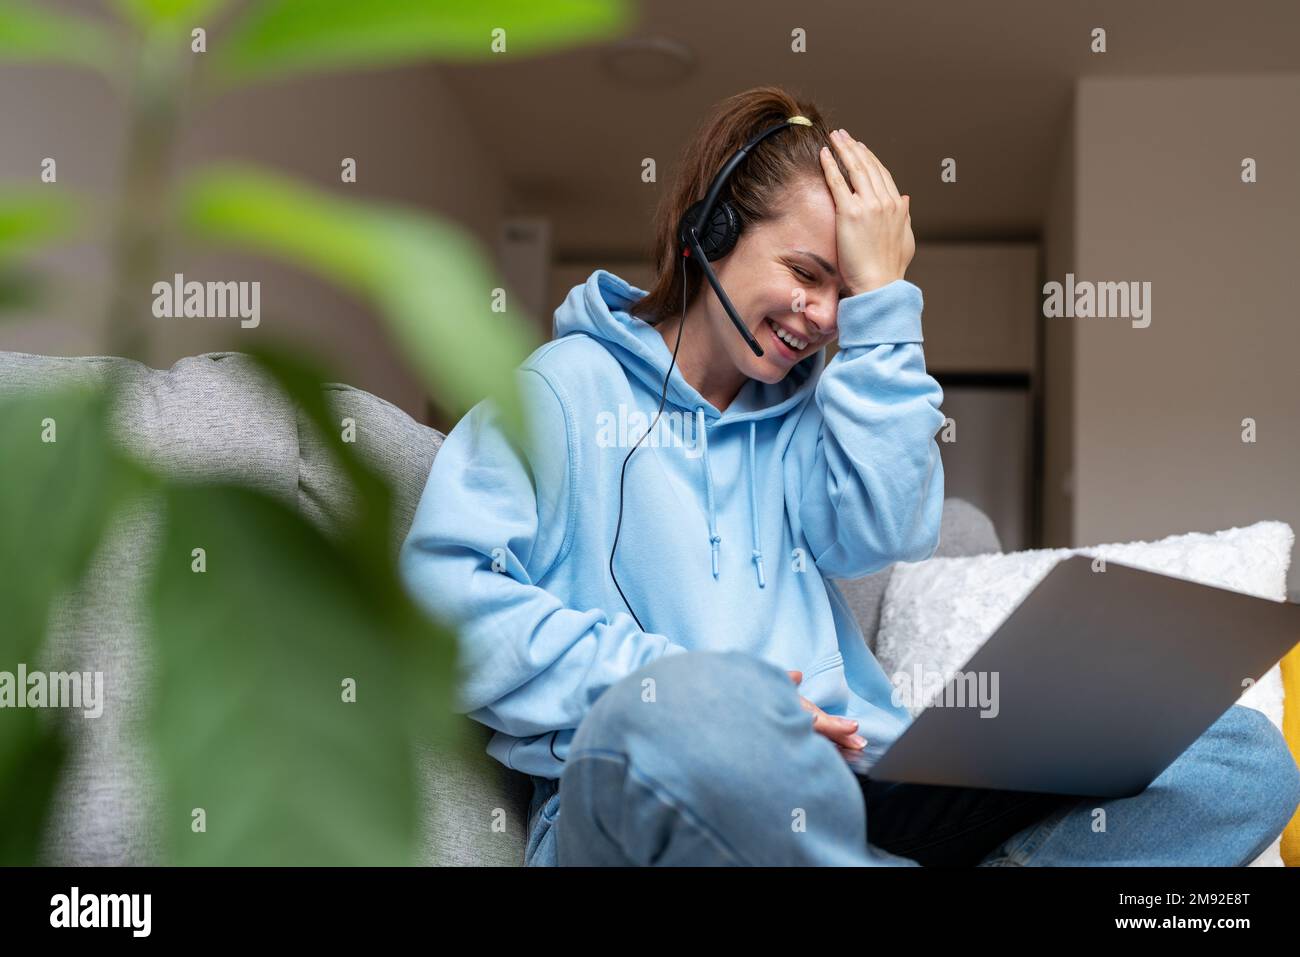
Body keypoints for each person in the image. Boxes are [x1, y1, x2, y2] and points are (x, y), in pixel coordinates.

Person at [398, 86, 1300, 866]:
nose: (821, 315)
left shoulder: (809, 420)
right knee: (697, 721)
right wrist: (701, 685)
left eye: (847, 292)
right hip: (662, 781)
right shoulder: (560, 391)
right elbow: (438, 600)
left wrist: (885, 311)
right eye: (805, 272)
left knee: (1237, 756)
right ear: (704, 234)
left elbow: (889, 529)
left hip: (859, 796)